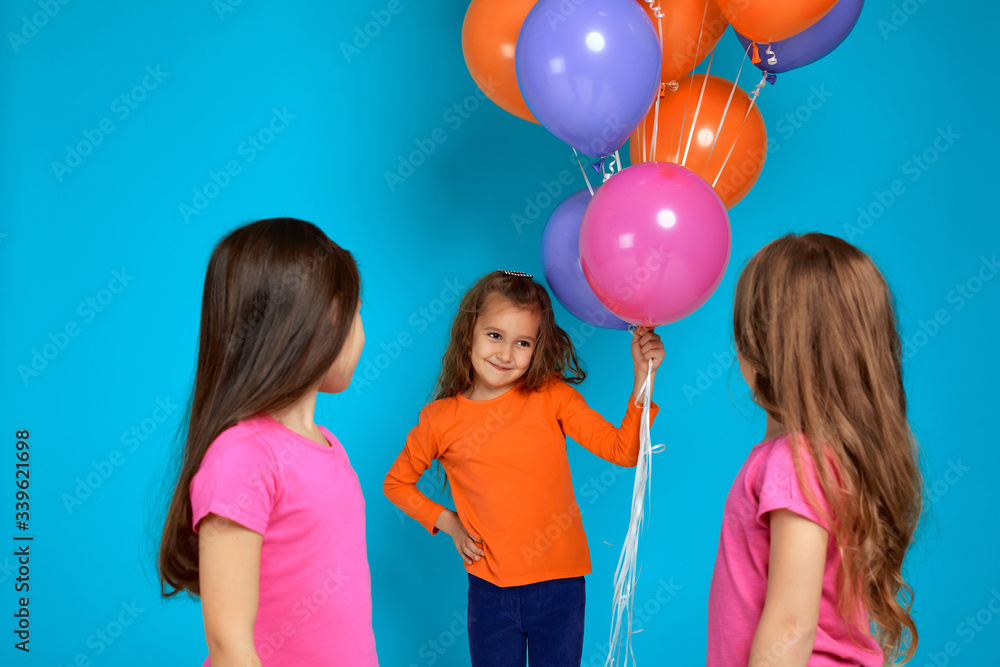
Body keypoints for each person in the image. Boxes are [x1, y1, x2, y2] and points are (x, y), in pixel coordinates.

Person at [384, 269, 664, 667]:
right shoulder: (440, 418)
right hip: (489, 590)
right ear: (470, 332)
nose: (505, 354)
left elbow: (623, 451)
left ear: (537, 347)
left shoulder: (551, 396)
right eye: (495, 335)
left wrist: (642, 376)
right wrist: (447, 521)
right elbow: (396, 483)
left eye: (522, 342)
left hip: (561, 587)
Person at [158, 217, 378, 666]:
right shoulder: (244, 458)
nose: (361, 330)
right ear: (328, 317)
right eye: (357, 310)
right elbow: (229, 648)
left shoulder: (329, 447)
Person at [708, 233, 923, 666]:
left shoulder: (793, 463)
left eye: (744, 334)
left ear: (763, 348)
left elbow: (791, 624)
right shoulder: (818, 456)